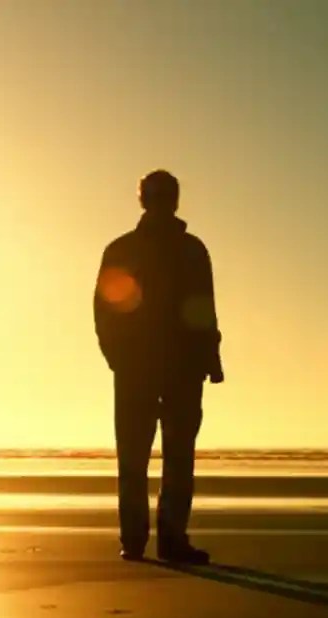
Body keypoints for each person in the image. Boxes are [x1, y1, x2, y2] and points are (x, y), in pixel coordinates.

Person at [93, 170, 224, 564]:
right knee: (164, 456)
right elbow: (107, 309)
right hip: (155, 367)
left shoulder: (177, 250)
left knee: (147, 457)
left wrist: (209, 358)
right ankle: (158, 539)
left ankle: (146, 540)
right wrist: (118, 357)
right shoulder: (179, 250)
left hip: (158, 368)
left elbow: (202, 310)